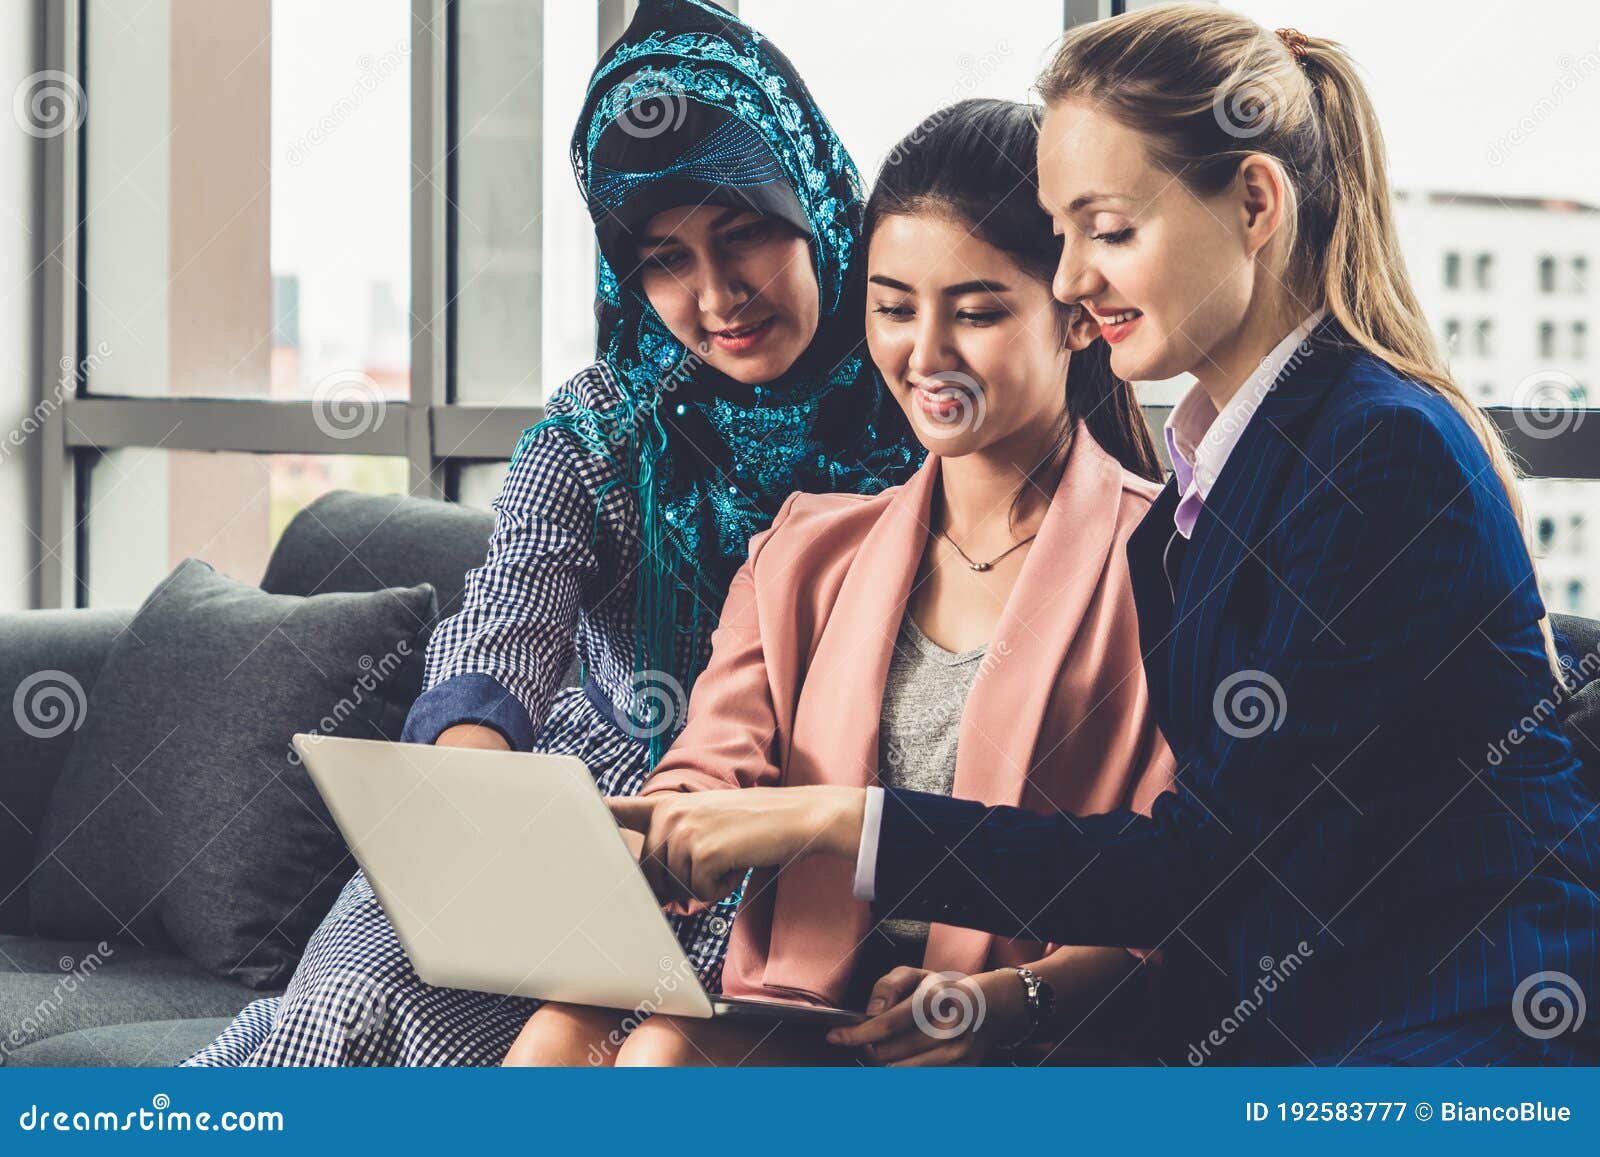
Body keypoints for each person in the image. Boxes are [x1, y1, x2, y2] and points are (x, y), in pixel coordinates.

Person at [613, 5, 1600, 1067]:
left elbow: (1206, 861)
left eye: (1109, 230)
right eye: (1064, 233)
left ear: (1255, 203)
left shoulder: (1376, 453)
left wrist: (839, 825)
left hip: (1444, 1034)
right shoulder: (1228, 473)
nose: (1076, 279)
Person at [180, 0, 919, 1067]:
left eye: (744, 230)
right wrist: (483, 807)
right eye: (664, 257)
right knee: (335, 1015)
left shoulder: (920, 416)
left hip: (781, 849)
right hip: (571, 817)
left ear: (809, 199)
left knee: (596, 1057)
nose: (715, 295)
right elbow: (504, 619)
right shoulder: (602, 429)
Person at [505, 98, 1173, 1067]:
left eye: (976, 310)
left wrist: (1003, 997)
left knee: (654, 1061)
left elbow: (1181, 889)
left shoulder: (1170, 561)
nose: (925, 353)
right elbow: (712, 767)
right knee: (564, 1032)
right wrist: (640, 836)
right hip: (817, 1008)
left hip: (1025, 1030)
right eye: (894, 307)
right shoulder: (810, 550)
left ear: (1076, 315)